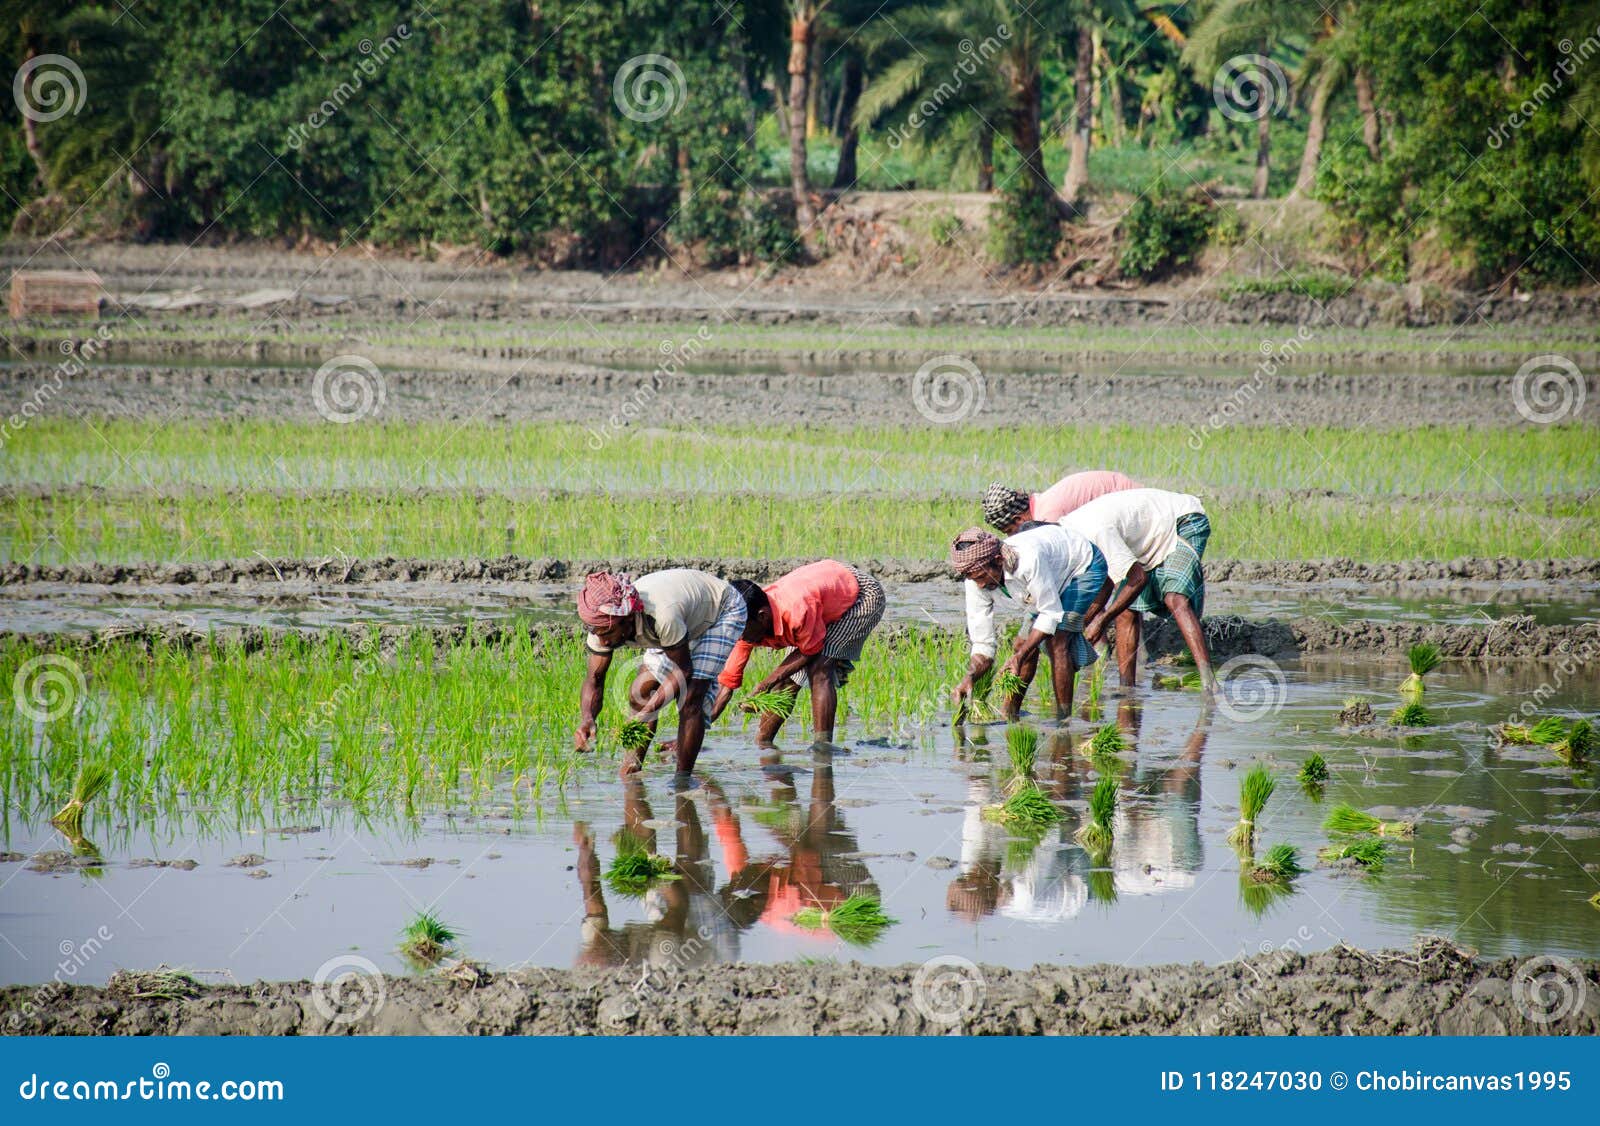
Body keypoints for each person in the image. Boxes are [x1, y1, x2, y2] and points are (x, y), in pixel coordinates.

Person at [574, 568, 750, 777]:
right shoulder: (601, 625)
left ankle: (682, 780)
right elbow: (595, 679)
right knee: (640, 692)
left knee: (691, 697)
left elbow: (683, 671)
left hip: (721, 611)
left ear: (628, 618)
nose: (604, 642)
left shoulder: (661, 617)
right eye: (599, 634)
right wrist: (587, 718)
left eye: (609, 634)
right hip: (682, 618)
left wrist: (647, 712)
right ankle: (631, 771)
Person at [710, 560, 886, 749]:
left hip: (861, 595)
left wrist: (765, 684)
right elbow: (725, 688)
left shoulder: (796, 612)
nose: (738, 635)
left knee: (819, 668)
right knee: (786, 681)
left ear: (762, 617)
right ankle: (763, 744)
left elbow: (810, 651)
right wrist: (691, 733)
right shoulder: (743, 622)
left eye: (742, 629)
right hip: (822, 595)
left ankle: (823, 746)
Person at [1060, 487, 1215, 692]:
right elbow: (1105, 584)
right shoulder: (1069, 536)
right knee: (1125, 611)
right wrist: (1077, 625)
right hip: (1146, 542)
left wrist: (1101, 621)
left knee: (1174, 598)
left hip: (1182, 521)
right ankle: (1127, 689)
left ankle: (1210, 684)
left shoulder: (1095, 532)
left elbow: (1138, 579)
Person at [948, 523, 1109, 720]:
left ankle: (1063, 721)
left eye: (983, 576)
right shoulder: (975, 582)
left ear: (998, 561)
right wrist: (969, 678)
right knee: (1022, 644)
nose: (981, 584)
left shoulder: (1028, 561)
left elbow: (1050, 612)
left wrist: (1020, 656)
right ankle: (1010, 713)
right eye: (975, 579)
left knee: (1057, 640)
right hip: (1044, 582)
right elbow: (983, 644)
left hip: (1082, 565)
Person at [981, 470, 1141, 535]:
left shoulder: (1048, 516)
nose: (1012, 536)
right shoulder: (1042, 501)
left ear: (1019, 519)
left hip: (1131, 504)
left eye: (1010, 530)